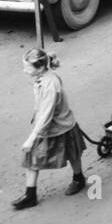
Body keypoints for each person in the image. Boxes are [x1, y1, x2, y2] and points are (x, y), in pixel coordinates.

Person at [13, 48, 86, 209]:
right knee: (32, 159)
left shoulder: (50, 84)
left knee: (73, 155)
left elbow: (46, 115)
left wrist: (31, 138)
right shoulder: (43, 77)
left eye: (27, 67)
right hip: (49, 127)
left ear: (39, 68)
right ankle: (30, 194)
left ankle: (78, 178)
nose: (24, 70)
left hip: (59, 127)